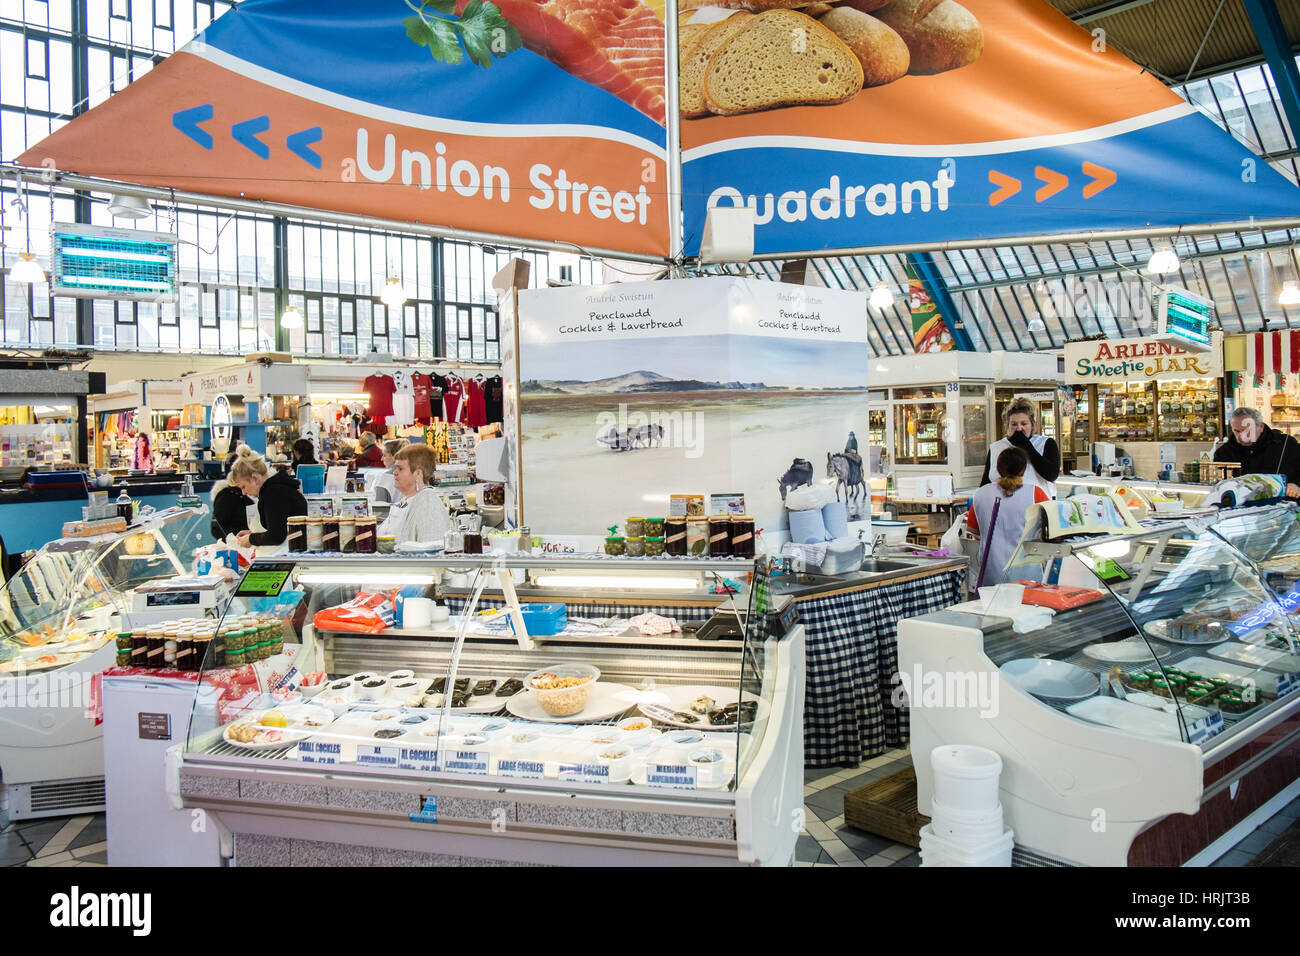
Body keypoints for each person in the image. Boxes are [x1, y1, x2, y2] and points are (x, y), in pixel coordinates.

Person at [968, 447, 1051, 587]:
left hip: (991, 569)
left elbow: (973, 530)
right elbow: (1051, 529)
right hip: (1028, 570)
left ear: (997, 467)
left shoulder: (981, 494)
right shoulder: (1036, 493)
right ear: (1024, 468)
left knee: (993, 606)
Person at [228, 445, 309, 548]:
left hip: (289, 554)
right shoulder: (277, 489)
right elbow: (279, 526)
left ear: (255, 478)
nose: (244, 493)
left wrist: (251, 539)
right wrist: (253, 534)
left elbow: (276, 536)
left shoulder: (273, 493)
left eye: (244, 487)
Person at [981, 397, 1059, 497]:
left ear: (1032, 424)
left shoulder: (1046, 443)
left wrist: (1027, 446)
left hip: (1036, 505)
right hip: (1002, 506)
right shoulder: (996, 447)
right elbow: (986, 483)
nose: (1019, 428)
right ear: (1007, 425)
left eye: (1024, 424)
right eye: (1014, 424)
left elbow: (1051, 475)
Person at [1213, 407, 1300, 498]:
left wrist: (1297, 484)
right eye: (1237, 431)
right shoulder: (1224, 452)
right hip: (1240, 508)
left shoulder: (1286, 444)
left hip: (1285, 505)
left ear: (1261, 427)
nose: (1242, 437)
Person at [378, 443, 452, 546]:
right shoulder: (405, 501)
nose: (394, 472)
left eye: (400, 468)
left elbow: (431, 551)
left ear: (418, 474)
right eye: (395, 468)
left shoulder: (428, 504)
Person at [210, 450, 253, 542]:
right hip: (237, 546)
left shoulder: (250, 493)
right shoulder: (226, 495)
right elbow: (217, 528)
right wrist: (236, 540)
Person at [372, 438, 407, 504]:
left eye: (384, 455)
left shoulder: (384, 477)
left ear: (394, 457)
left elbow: (380, 506)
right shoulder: (417, 475)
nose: (382, 459)